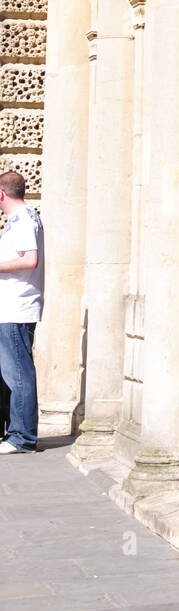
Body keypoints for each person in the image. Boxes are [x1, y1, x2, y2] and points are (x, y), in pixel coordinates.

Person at [0, 171, 45, 454]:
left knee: (19, 373)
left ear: (2, 194)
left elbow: (30, 259)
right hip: (11, 307)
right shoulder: (19, 219)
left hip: (18, 307)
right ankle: (13, 431)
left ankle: (22, 437)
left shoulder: (25, 218)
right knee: (10, 373)